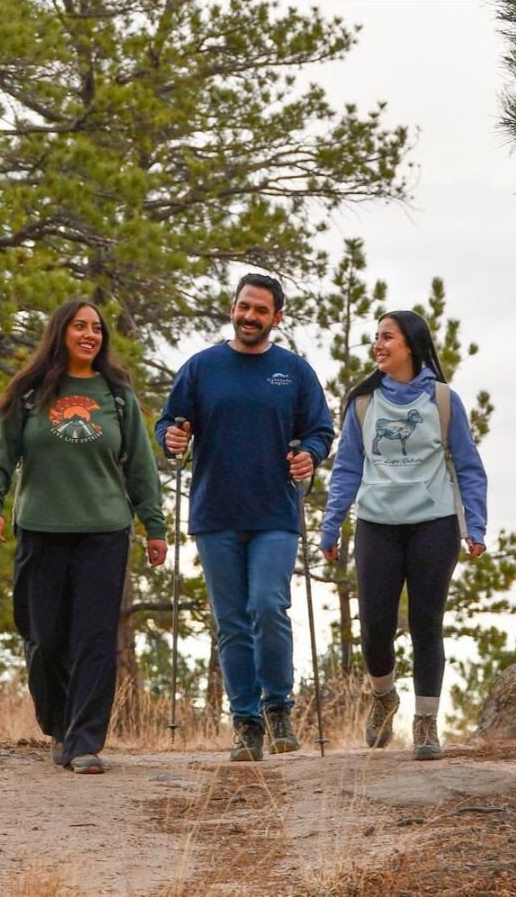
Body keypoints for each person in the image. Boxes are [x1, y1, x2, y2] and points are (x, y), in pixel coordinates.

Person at [0, 300, 168, 775]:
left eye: (97, 329)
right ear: (60, 332)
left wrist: (154, 527)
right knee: (42, 637)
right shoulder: (28, 392)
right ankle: (59, 724)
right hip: (40, 528)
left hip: (103, 531)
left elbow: (141, 468)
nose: (90, 334)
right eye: (80, 326)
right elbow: (0, 454)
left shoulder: (117, 396)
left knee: (94, 639)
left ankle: (84, 741)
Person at [156, 272, 334, 762]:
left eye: (260, 310)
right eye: (243, 307)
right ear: (232, 308)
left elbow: (320, 429)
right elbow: (169, 423)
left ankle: (278, 707)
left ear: (277, 317)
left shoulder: (293, 371)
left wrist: (310, 456)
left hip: (275, 512)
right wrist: (171, 437)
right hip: (215, 512)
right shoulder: (202, 367)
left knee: (267, 605)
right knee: (231, 622)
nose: (249, 316)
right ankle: (246, 723)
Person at [319, 310, 487, 760]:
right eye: (376, 337)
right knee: (375, 626)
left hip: (433, 523)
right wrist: (331, 523)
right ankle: (383, 696)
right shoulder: (362, 403)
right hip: (376, 524)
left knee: (426, 624)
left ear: (410, 345)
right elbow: (347, 468)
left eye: (387, 337)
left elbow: (468, 467)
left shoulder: (443, 401)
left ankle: (426, 722)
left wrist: (475, 525)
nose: (378, 345)